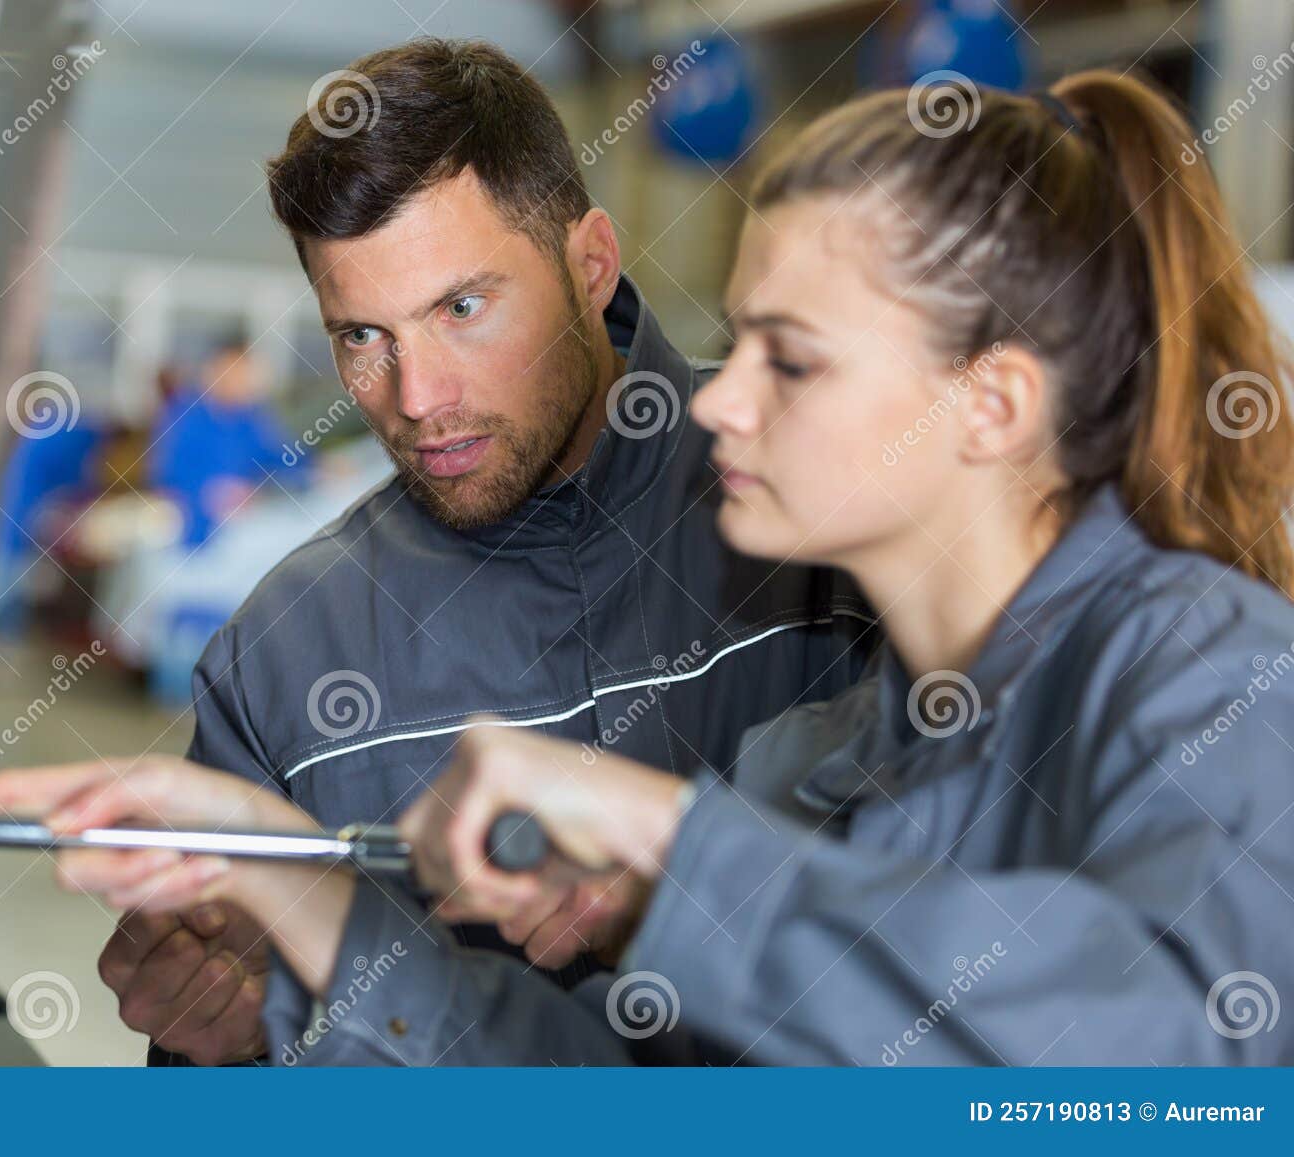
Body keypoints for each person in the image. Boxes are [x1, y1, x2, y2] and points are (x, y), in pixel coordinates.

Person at [0, 67, 1294, 1065]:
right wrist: (298, 888)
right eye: (358, 335)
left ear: (992, 404)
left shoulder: (1213, 671)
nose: (715, 402)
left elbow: (1195, 1053)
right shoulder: (845, 761)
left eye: (792, 358)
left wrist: (667, 843)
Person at [69, 39, 874, 1066]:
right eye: (362, 334)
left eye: (462, 308)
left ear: (590, 265)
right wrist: (221, 1039)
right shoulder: (285, 656)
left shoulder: (831, 493)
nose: (416, 398)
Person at [148, 333, 309, 548]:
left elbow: (282, 457)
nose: (239, 381)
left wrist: (318, 467)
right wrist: (213, 492)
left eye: (243, 374)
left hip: (245, 528)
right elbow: (164, 473)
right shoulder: (184, 414)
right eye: (232, 372)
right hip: (193, 534)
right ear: (213, 371)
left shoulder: (252, 417)